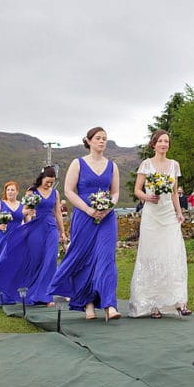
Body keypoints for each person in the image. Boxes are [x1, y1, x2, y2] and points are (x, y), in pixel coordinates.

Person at [47, 126, 122, 322]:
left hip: (107, 218)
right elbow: (69, 191)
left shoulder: (112, 166)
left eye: (104, 138)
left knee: (106, 258)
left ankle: (109, 304)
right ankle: (88, 303)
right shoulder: (78, 163)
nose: (102, 141)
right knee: (84, 258)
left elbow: (115, 193)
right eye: (98, 138)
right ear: (88, 141)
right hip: (84, 216)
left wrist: (108, 207)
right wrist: (89, 210)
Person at [128, 129, 191, 319]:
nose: (164, 144)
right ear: (154, 144)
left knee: (173, 253)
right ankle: (153, 304)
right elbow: (137, 190)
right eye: (161, 141)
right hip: (151, 215)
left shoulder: (174, 165)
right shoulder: (146, 164)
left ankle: (179, 301)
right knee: (152, 255)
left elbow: (173, 193)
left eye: (167, 141)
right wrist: (148, 197)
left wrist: (179, 213)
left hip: (168, 215)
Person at [0, 166, 67, 305]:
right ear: (42, 178)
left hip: (51, 227)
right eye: (47, 181)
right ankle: (32, 293)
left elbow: (57, 213)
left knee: (51, 260)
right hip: (36, 228)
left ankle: (45, 296)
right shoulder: (31, 191)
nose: (49, 184)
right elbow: (23, 211)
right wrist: (29, 212)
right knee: (36, 260)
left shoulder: (55, 193)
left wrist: (62, 232)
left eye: (52, 182)